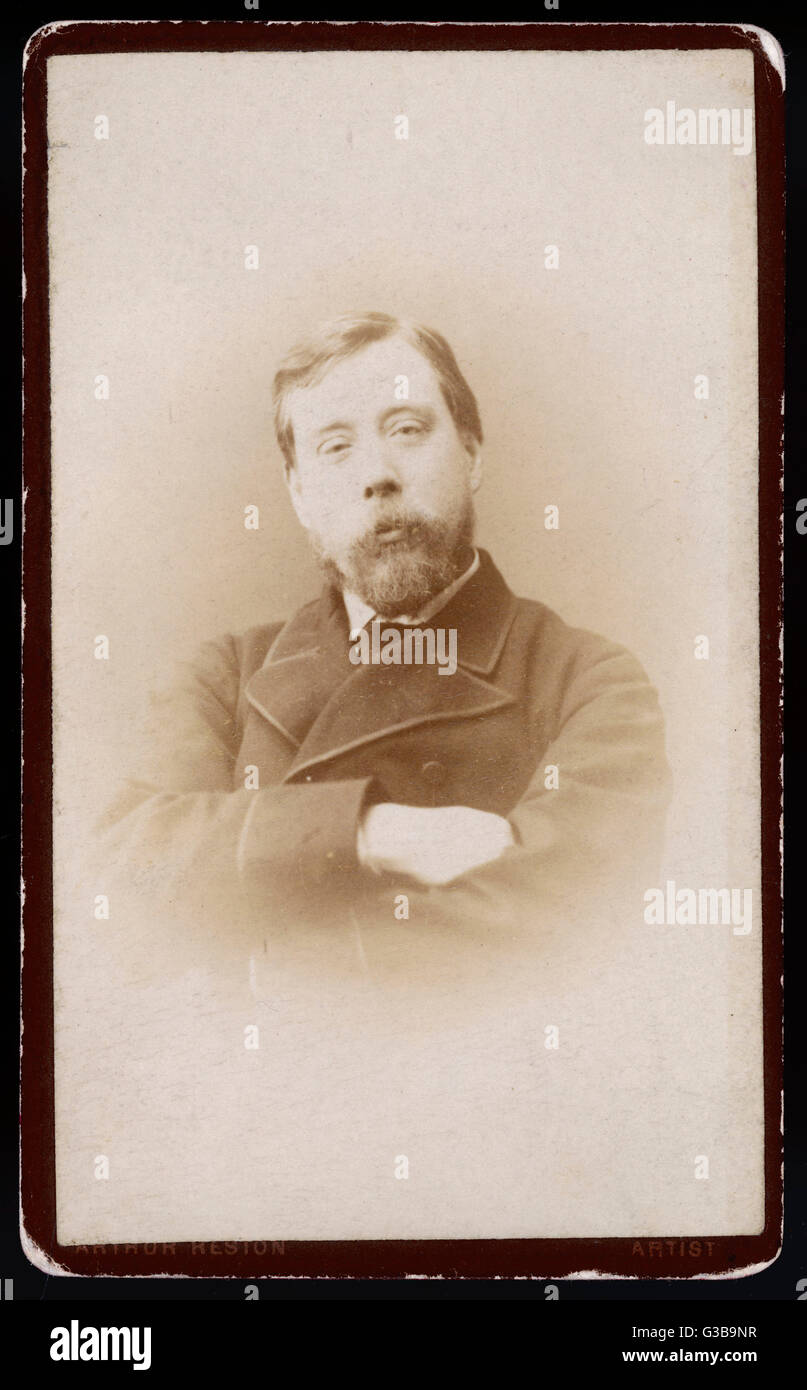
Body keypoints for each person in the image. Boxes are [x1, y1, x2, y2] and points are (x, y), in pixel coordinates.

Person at [97, 311, 672, 993]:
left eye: (406, 429)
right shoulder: (224, 678)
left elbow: (566, 929)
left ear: (472, 452)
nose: (377, 474)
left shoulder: (589, 683)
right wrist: (371, 832)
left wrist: (250, 944)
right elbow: (121, 868)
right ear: (300, 495)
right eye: (335, 447)